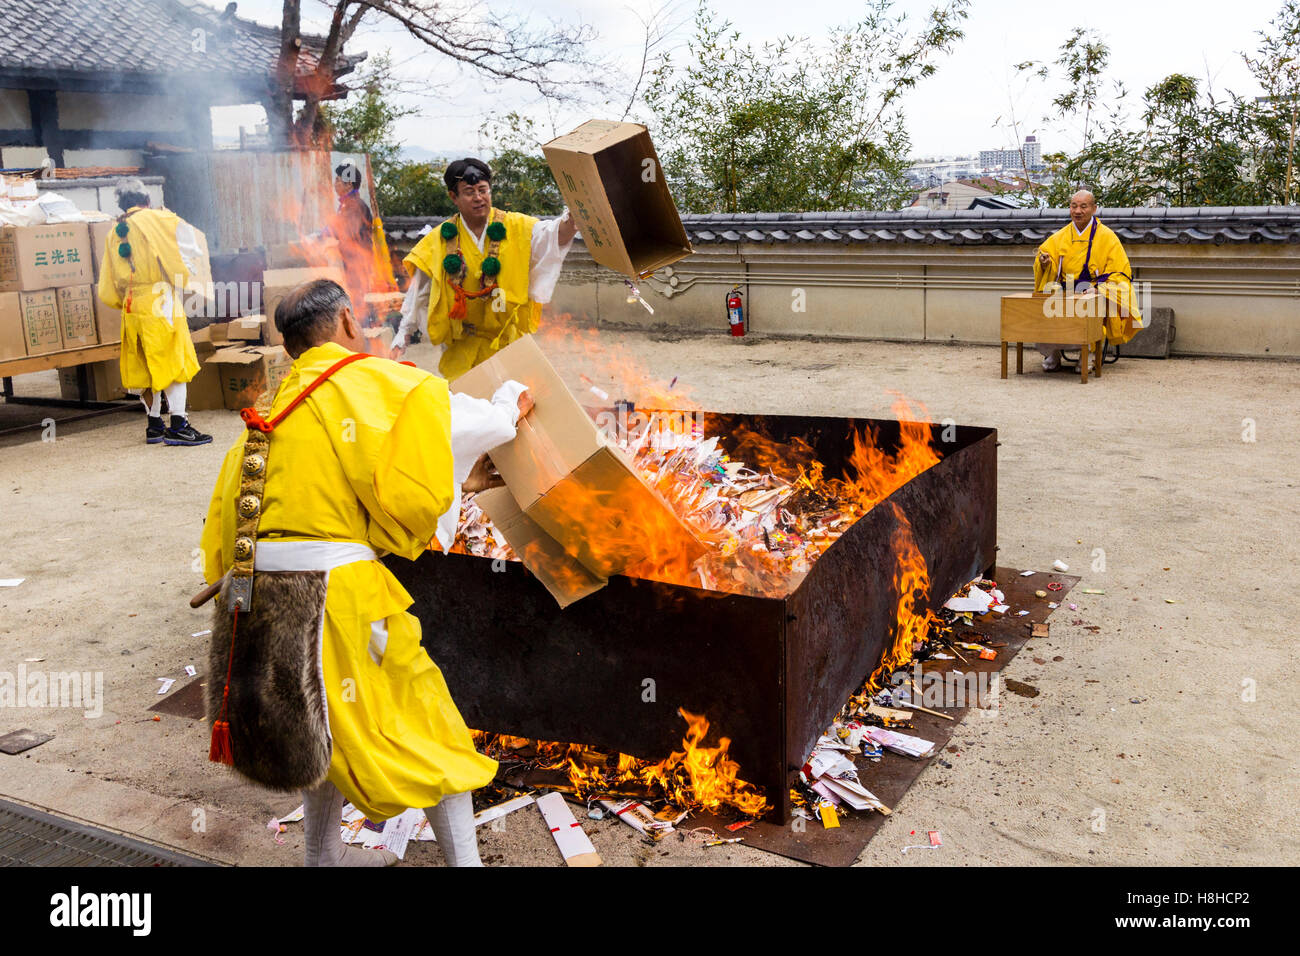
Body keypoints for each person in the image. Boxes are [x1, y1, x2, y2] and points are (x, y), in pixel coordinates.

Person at [199, 279, 533, 866]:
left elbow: (238, 527)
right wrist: (508, 404)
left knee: (326, 736)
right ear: (349, 322)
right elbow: (451, 425)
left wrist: (461, 482)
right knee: (434, 735)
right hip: (337, 600)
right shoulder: (366, 382)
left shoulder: (272, 408)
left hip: (257, 606)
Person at [392, 157, 577, 378]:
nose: (479, 198)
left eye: (483, 190)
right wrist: (403, 334)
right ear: (454, 197)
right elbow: (419, 293)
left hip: (508, 344)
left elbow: (554, 235)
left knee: (512, 407)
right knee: (466, 407)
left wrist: (574, 219)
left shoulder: (516, 227)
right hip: (462, 346)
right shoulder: (438, 241)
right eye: (470, 192)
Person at [97, 177, 211, 445]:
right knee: (173, 361)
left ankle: (154, 424)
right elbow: (191, 247)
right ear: (146, 200)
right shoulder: (157, 219)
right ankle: (180, 424)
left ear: (121, 204)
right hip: (160, 299)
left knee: (145, 363)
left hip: (131, 303)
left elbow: (106, 286)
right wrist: (186, 274)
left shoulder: (114, 232)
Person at [1032, 189, 1143, 372]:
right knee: (1044, 305)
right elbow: (1046, 257)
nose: (1078, 211)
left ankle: (1089, 355)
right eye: (1074, 206)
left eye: (1083, 206)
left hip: (1092, 291)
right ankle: (1053, 353)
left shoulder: (1107, 237)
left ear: (1094, 209)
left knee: (1092, 304)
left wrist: (1100, 290)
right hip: (1065, 291)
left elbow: (1120, 273)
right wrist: (1044, 263)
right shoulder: (1061, 236)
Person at [325, 163, 377, 311]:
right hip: (350, 261)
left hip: (357, 262)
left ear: (349, 185)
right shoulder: (347, 204)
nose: (335, 184)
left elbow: (345, 230)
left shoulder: (355, 206)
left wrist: (321, 235)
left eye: (338, 180)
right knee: (352, 300)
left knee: (357, 301)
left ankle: (363, 331)